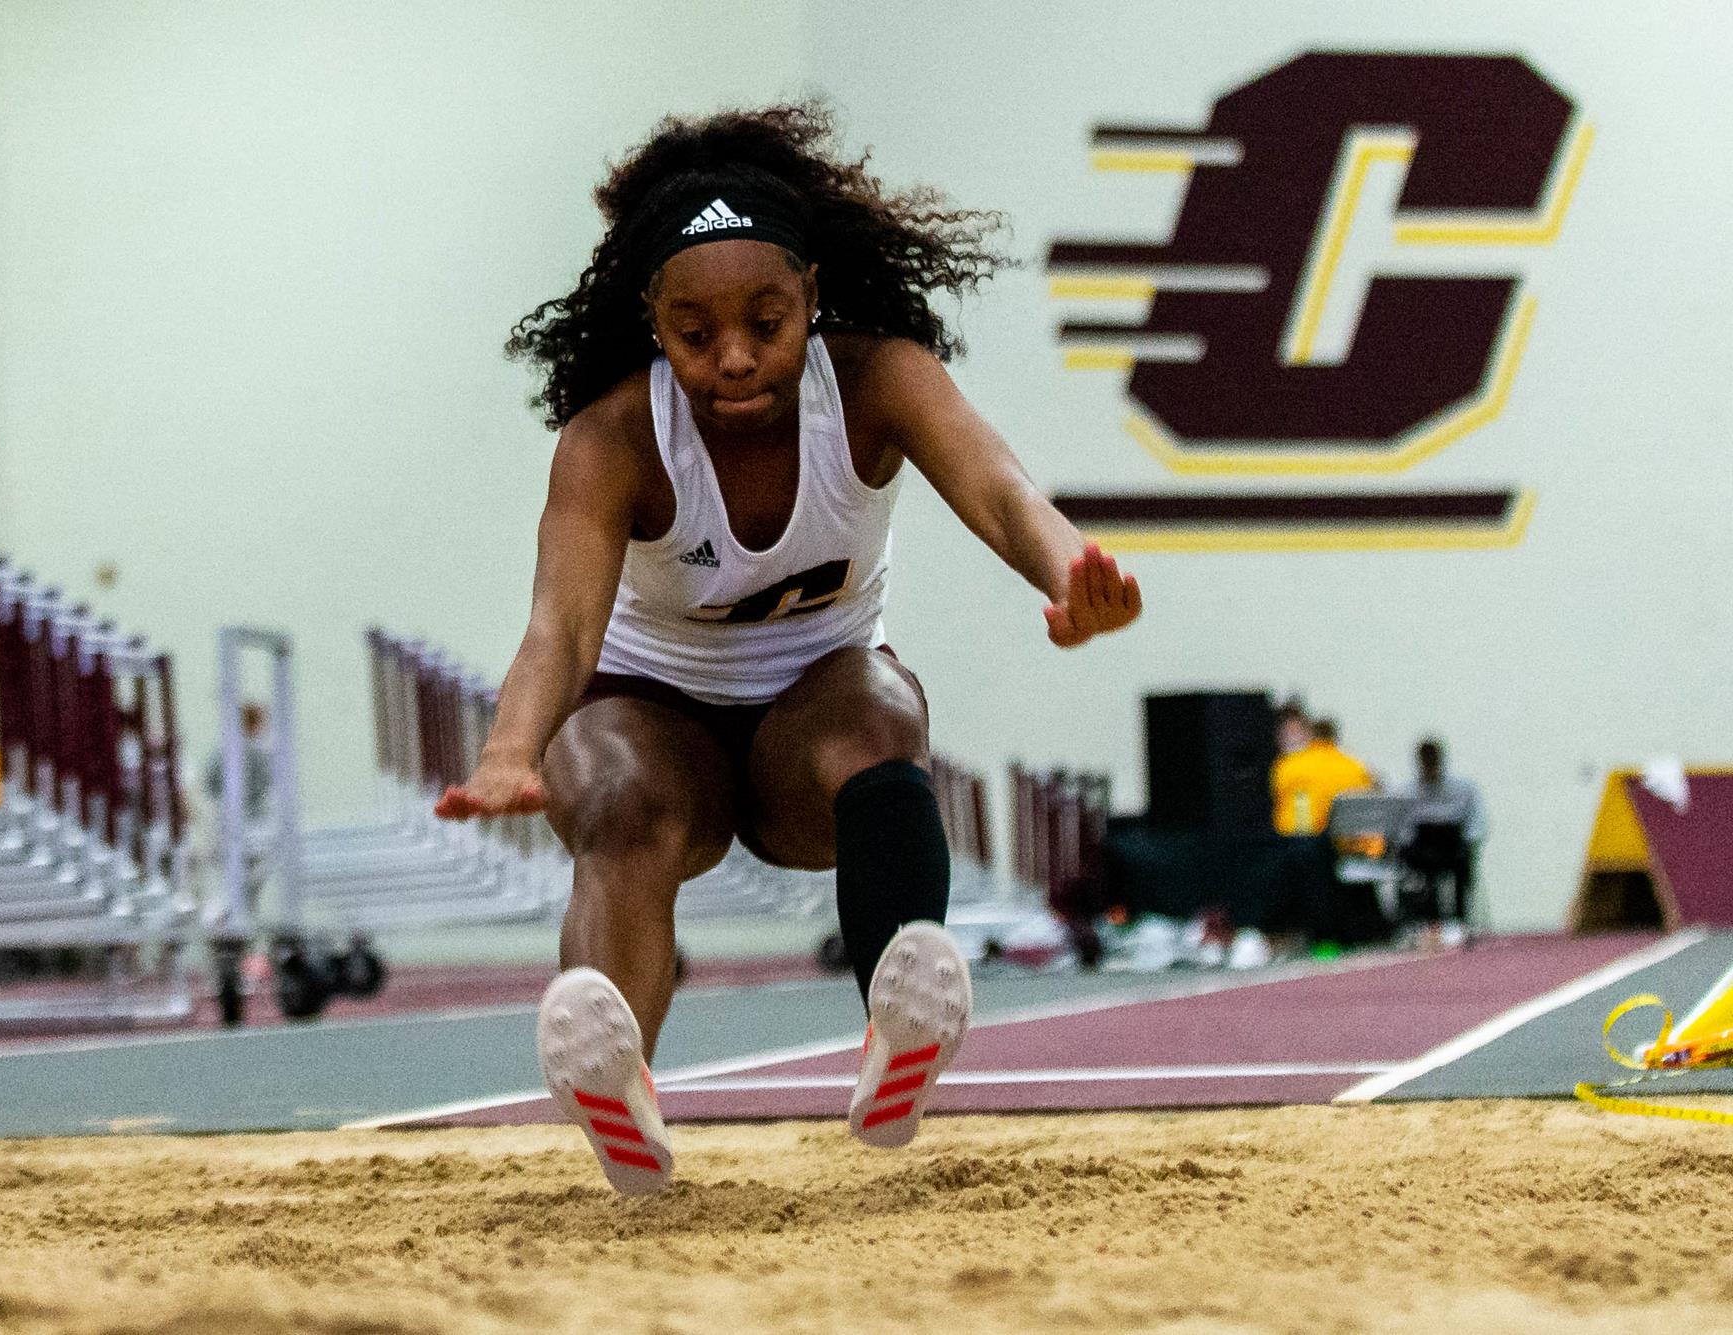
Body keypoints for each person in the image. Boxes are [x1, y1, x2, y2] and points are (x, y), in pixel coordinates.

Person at [433, 104, 1141, 1194]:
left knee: (879, 711)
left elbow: (1000, 493)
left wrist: (1066, 577)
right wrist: (507, 751)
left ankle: (899, 1016)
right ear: (651, 323)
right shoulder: (614, 437)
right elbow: (561, 626)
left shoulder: (877, 382)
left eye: (766, 322)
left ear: (811, 293)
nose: (733, 359)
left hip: (811, 733)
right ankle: (613, 1074)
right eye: (693, 331)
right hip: (653, 720)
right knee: (618, 794)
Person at [1397, 737, 1483, 933]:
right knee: (1411, 863)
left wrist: (1470, 843)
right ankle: (1425, 918)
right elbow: (1402, 827)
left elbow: (1476, 822)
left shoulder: (1463, 788)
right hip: (1422, 849)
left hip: (1452, 848)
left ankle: (1460, 918)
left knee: (1462, 861)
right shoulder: (1406, 791)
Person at [1271, 718, 1374, 835]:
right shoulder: (1356, 767)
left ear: (1310, 736)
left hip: (1300, 841)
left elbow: (1277, 797)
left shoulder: (1289, 765)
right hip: (1347, 842)